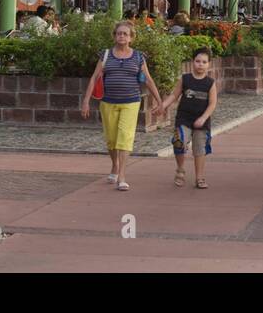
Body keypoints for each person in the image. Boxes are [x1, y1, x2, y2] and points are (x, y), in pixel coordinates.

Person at [81, 20, 163, 191]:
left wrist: (159, 101)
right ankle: (115, 165)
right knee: (111, 140)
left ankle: (122, 176)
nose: (122, 36)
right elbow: (94, 77)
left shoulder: (138, 57)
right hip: (108, 102)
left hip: (131, 102)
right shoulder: (106, 55)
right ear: (114, 36)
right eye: (119, 33)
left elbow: (147, 79)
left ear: (131, 37)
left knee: (124, 138)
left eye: (125, 34)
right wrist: (86, 101)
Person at [160, 47, 217, 188]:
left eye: (204, 62)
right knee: (178, 141)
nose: (200, 64)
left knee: (199, 148)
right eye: (198, 61)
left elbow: (212, 103)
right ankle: (180, 169)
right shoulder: (185, 79)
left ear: (209, 64)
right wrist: (163, 105)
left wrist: (203, 118)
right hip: (184, 118)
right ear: (193, 62)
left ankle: (200, 177)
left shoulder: (210, 83)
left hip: (201, 121)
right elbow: (174, 95)